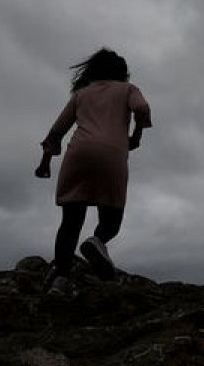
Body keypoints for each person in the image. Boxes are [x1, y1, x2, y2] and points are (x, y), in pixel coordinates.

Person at [35, 48, 152, 294]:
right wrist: (136, 136)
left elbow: (57, 130)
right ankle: (97, 242)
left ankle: (61, 279)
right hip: (112, 156)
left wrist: (45, 161)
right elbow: (141, 108)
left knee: (70, 222)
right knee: (111, 219)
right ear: (123, 72)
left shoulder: (81, 94)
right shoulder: (128, 90)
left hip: (79, 154)